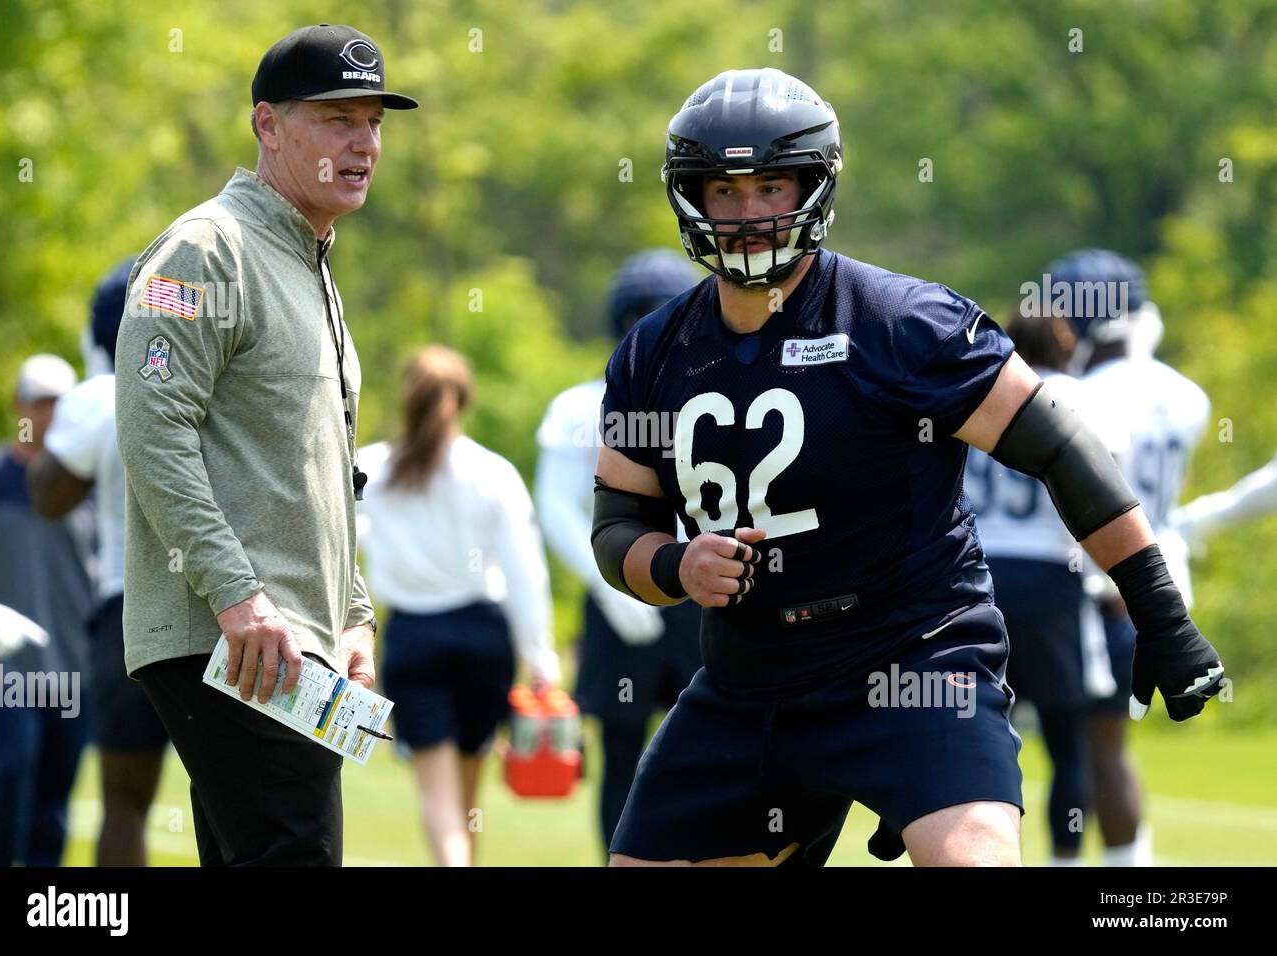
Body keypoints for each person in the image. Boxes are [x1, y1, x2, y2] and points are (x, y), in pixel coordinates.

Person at [591, 68, 1225, 867]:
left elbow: (1064, 452)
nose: (749, 214)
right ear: (691, 195)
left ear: (814, 187)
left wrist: (1161, 615)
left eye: (772, 186)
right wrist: (678, 563)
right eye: (724, 189)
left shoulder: (901, 323)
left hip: (914, 659)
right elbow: (618, 527)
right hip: (752, 678)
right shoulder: (654, 353)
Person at [113, 23, 416, 866]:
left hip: (292, 640)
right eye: (335, 118)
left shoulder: (309, 261)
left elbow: (323, 474)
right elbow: (150, 427)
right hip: (233, 634)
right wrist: (238, 594)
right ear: (267, 125)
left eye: (374, 122)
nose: (363, 142)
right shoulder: (206, 250)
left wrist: (352, 614)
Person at [356, 346, 560, 866]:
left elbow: (336, 550)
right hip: (484, 640)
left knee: (441, 803)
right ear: (464, 401)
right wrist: (541, 659)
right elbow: (524, 572)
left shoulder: (368, 470)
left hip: (413, 641)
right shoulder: (493, 473)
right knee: (468, 801)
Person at [535, 250, 701, 855]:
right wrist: (609, 584)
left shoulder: (714, 399)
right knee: (622, 751)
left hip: (703, 592)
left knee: (718, 743)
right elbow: (556, 507)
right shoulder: (583, 406)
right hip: (619, 585)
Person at [1056, 249, 1212, 866]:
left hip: (1087, 583)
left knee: (1056, 746)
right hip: (1155, 588)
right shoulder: (1187, 396)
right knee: (1109, 745)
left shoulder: (1083, 394)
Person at [28, 256, 172, 867]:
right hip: (230, 614)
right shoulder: (219, 384)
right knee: (236, 802)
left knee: (124, 807)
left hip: (130, 615)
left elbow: (48, 494)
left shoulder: (102, 395)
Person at [962, 311, 1111, 865]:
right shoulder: (1076, 393)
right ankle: (1064, 860)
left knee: (974, 736)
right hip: (1052, 578)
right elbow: (1105, 482)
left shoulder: (975, 386)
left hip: (975, 579)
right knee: (1068, 740)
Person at [0, 354, 94, 866]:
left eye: (60, 404)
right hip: (2, 665)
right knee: (12, 768)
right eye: (41, 402)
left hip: (73, 663)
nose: (49, 414)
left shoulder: (88, 488)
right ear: (20, 406)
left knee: (55, 794)